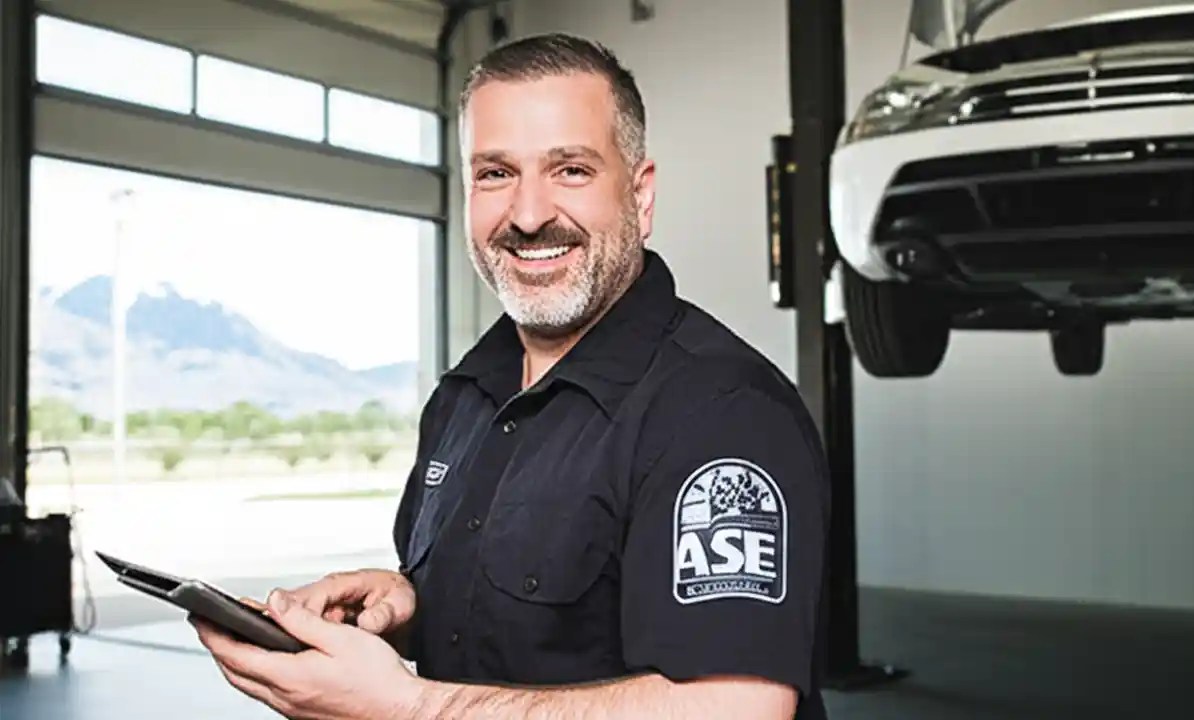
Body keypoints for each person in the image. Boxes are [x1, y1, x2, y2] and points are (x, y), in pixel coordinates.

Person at [193, 32, 832, 720]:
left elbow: (734, 708)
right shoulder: (462, 400)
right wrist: (411, 605)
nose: (528, 216)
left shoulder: (722, 409)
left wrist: (406, 709)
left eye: (571, 170)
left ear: (641, 198)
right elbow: (541, 625)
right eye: (496, 174)